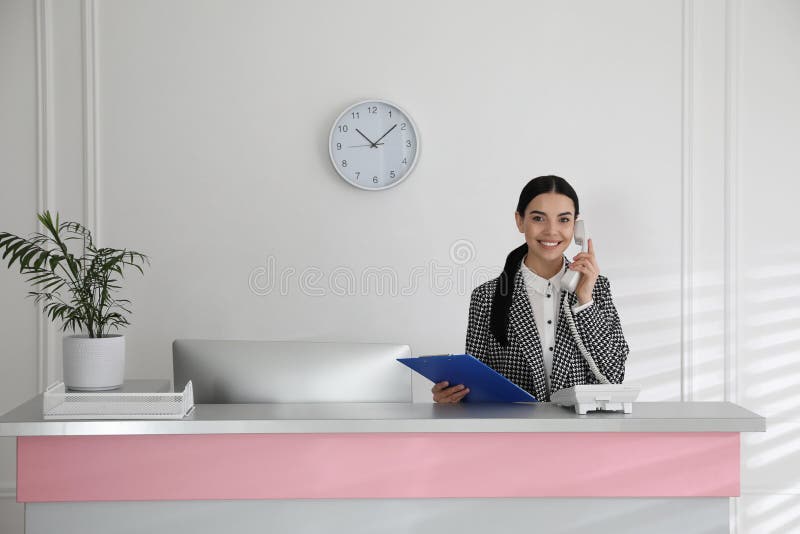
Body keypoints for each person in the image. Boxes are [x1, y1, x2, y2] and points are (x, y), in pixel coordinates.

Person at [432, 175, 629, 403]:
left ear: (576, 227)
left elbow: (614, 375)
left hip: (580, 433)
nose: (551, 231)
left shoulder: (597, 288)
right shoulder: (486, 297)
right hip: (515, 433)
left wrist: (584, 300)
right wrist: (453, 396)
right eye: (538, 218)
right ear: (520, 221)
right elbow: (476, 385)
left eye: (563, 220)